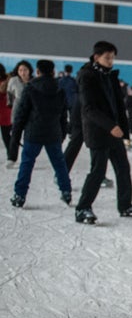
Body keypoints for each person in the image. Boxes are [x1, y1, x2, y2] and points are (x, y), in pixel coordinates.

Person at [73, 41, 132, 225]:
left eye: (113, 57)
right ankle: (83, 208)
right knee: (98, 171)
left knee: (123, 168)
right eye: (108, 57)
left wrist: (123, 131)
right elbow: (89, 109)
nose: (111, 61)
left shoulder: (108, 76)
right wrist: (110, 126)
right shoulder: (87, 76)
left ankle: (125, 205)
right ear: (96, 57)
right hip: (99, 132)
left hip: (114, 133)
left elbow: (118, 106)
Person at [8, 60, 72, 208]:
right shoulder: (60, 90)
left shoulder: (30, 89)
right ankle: (66, 191)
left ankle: (20, 195)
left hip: (33, 133)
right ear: (53, 72)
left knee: (27, 163)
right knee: (59, 164)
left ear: (37, 72)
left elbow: (21, 114)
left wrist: (16, 134)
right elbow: (63, 116)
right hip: (53, 133)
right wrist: (61, 134)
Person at [0, 64, 11, 160]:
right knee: (6, 136)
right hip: (6, 112)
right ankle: (11, 154)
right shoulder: (8, 81)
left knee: (6, 136)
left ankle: (11, 155)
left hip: (4, 113)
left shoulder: (5, 83)